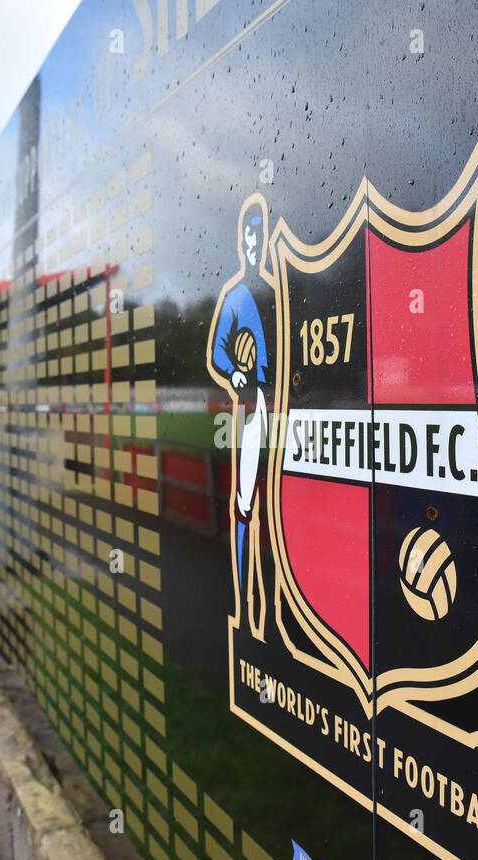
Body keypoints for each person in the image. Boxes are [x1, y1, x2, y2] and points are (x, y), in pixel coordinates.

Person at [206, 194, 277, 637]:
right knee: (246, 505)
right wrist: (234, 373)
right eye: (248, 238)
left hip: (281, 401)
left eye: (260, 236)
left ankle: (273, 613)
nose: (255, 245)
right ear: (241, 244)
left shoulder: (279, 289)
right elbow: (217, 353)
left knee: (282, 505)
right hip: (251, 405)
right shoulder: (234, 297)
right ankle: (244, 607)